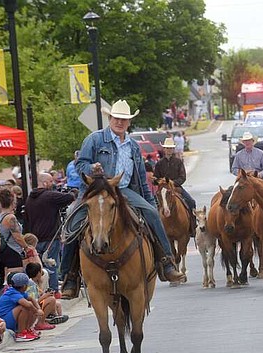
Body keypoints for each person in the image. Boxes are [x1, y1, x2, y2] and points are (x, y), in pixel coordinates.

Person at [59, 99, 185, 299]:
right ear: (110, 118)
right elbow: (80, 163)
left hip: (124, 190)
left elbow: (141, 178)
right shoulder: (94, 139)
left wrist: (149, 202)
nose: (120, 122)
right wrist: (92, 169)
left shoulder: (134, 146)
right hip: (96, 190)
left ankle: (166, 263)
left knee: (152, 214)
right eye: (116, 118)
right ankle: (69, 276)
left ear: (129, 123)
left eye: (124, 119)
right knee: (72, 221)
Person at [25, 173, 76, 295]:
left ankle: (39, 293)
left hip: (35, 240)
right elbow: (69, 197)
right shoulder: (49, 196)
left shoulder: (29, 199)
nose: (53, 184)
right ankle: (53, 293)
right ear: (45, 183)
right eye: (51, 181)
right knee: (52, 267)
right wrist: (73, 192)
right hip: (51, 238)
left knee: (38, 269)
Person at [153, 137, 197, 236]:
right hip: (163, 189)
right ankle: (155, 230)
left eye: (171, 148)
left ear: (173, 149)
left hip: (176, 188)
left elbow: (183, 177)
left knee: (191, 202)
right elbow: (155, 177)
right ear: (164, 149)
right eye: (167, 148)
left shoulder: (178, 162)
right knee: (153, 206)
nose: (169, 150)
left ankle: (192, 226)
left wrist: (173, 183)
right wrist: (158, 181)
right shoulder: (159, 164)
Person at [0, 272, 41, 342]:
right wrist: (37, 311)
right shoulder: (12, 293)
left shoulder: (19, 292)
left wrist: (38, 308)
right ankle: (21, 333)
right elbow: (27, 305)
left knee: (30, 305)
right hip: (4, 320)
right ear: (25, 286)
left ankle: (27, 329)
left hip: (10, 318)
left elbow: (31, 299)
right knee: (24, 307)